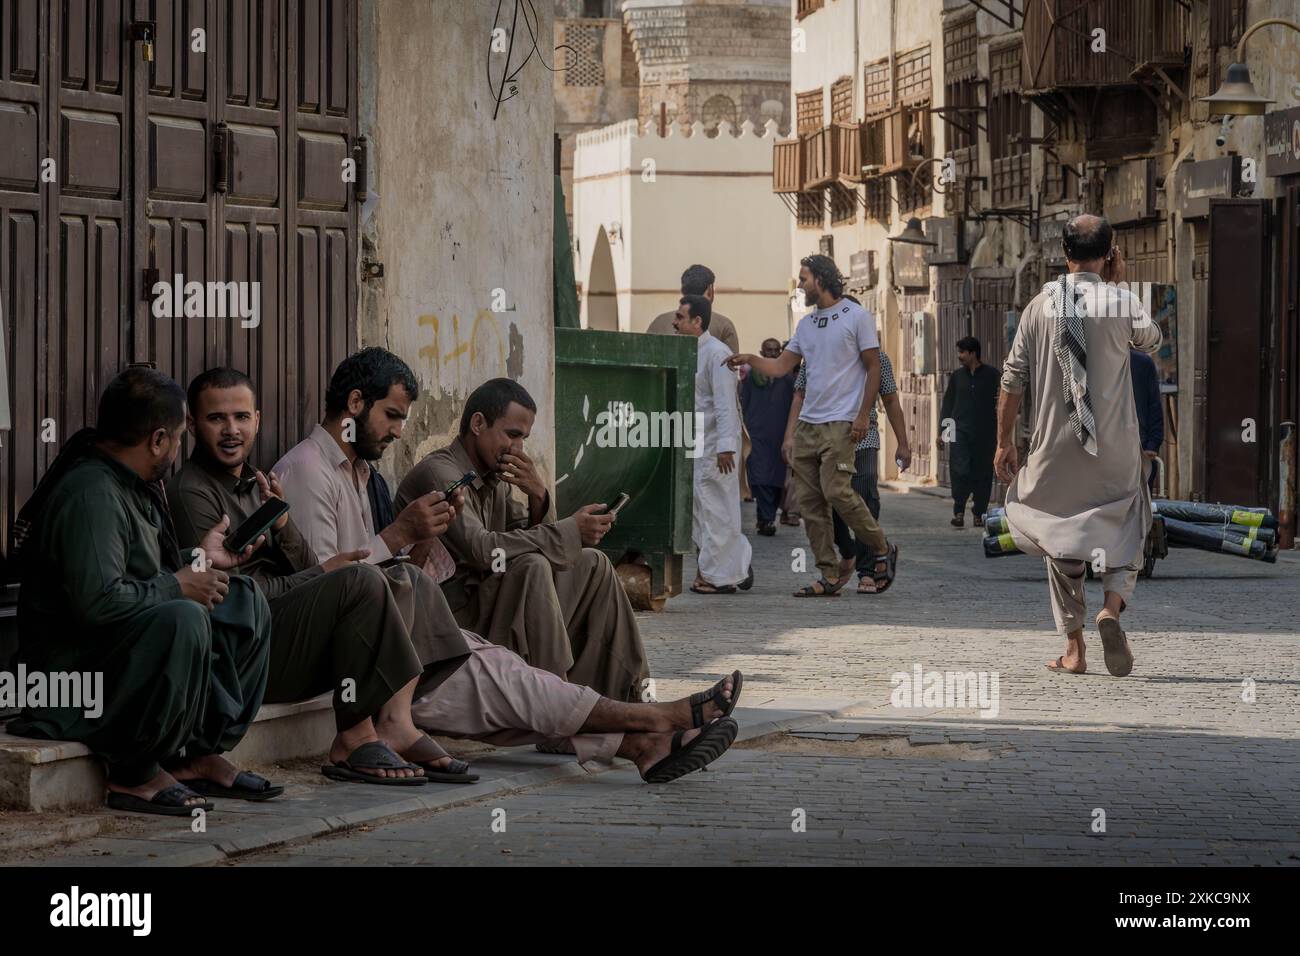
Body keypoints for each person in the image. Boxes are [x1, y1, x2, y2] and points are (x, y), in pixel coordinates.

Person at [274, 348, 741, 782]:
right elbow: (328, 587)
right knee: (520, 649)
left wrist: (539, 496)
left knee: (580, 581)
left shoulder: (362, 473)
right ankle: (654, 722)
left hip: (422, 630)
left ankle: (645, 737)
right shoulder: (316, 471)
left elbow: (384, 574)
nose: (399, 432)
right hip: (414, 639)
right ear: (356, 402)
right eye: (392, 416)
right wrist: (401, 536)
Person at [169, 367, 475, 785]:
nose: (231, 430)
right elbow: (230, 597)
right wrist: (323, 572)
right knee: (359, 579)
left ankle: (393, 723)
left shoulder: (256, 484)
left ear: (258, 419)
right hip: (246, 653)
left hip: (280, 637)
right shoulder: (192, 492)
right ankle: (354, 735)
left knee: (400, 577)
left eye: (241, 417)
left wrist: (282, 525)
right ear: (190, 424)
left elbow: (307, 566)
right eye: (216, 418)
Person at [7, 367, 277, 815]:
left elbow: (144, 575)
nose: (176, 447)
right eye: (174, 437)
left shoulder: (130, 486)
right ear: (157, 440)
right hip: (69, 678)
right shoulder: (91, 492)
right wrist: (178, 585)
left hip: (109, 649)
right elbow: (99, 603)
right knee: (184, 617)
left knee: (242, 597)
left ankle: (193, 753)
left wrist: (201, 559)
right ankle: (134, 773)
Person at [394, 378, 650, 703]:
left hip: (496, 605)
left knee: (593, 563)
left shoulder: (494, 479)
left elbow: (529, 537)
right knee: (531, 565)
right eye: (512, 435)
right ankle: (558, 706)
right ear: (477, 423)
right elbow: (483, 551)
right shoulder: (442, 473)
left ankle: (631, 697)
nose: (517, 449)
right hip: (451, 620)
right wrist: (571, 531)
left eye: (523, 439)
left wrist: (539, 496)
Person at [994, 214, 1161, 677]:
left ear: (1063, 254)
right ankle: (1111, 607)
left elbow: (1012, 380)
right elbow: (1152, 339)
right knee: (1129, 521)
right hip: (1115, 449)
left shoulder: (1038, 306)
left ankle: (1074, 649)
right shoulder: (1120, 301)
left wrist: (1003, 442)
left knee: (1058, 535)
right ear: (1110, 254)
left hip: (1054, 451)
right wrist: (1118, 285)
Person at [727, 254, 898, 597]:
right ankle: (829, 573)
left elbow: (874, 367)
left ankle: (881, 547)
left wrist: (863, 414)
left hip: (841, 423)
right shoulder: (806, 325)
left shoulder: (857, 316)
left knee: (837, 491)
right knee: (809, 504)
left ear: (820, 279)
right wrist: (750, 359)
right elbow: (780, 367)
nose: (800, 284)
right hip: (808, 425)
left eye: (804, 278)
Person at [786, 345, 912, 593]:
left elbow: (890, 399)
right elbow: (800, 395)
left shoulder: (877, 359)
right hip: (822, 438)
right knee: (827, 500)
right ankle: (847, 552)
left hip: (862, 439)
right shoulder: (814, 354)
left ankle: (867, 569)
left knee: (863, 498)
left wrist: (903, 443)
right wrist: (790, 436)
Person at [675, 295, 753, 594]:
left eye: (681, 317)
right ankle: (731, 565)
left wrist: (726, 447)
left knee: (717, 510)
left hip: (717, 447)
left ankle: (718, 576)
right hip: (695, 442)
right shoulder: (690, 352)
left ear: (697, 321)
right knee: (699, 510)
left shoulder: (717, 354)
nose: (675, 322)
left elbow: (725, 405)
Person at [940, 336, 1000, 528]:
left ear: (973, 353)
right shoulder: (957, 377)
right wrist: (943, 433)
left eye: (962, 352)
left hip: (985, 434)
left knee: (983, 473)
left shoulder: (992, 375)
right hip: (959, 432)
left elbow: (1001, 404)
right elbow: (948, 404)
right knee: (960, 470)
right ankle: (958, 511)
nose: (959, 356)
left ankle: (979, 513)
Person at [741, 338, 797, 535]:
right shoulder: (749, 378)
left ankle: (765, 517)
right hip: (756, 434)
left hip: (779, 436)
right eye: (768, 351)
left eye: (776, 351)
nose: (772, 354)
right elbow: (743, 403)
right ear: (761, 352)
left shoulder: (788, 380)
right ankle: (766, 519)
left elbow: (795, 407)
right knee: (759, 477)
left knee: (775, 480)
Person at [646, 264, 740, 353]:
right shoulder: (724, 325)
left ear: (683, 289)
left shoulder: (659, 323)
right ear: (710, 291)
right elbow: (731, 366)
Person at [1130, 348, 1163, 491]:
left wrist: (1152, 444)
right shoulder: (1142, 361)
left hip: (1139, 449)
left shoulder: (1142, 362)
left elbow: (1154, 406)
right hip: (1113, 449)